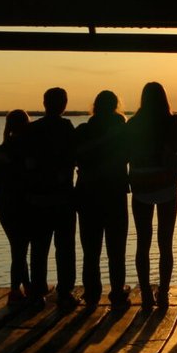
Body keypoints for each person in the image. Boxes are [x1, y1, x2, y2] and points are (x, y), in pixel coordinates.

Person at [125, 82, 177, 307]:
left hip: (141, 187)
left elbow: (127, 153)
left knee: (143, 242)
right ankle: (165, 292)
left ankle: (147, 293)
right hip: (167, 186)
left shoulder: (133, 124)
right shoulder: (172, 123)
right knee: (165, 242)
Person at [22, 87, 77, 305]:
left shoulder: (32, 129)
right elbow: (74, 156)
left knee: (39, 248)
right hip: (62, 198)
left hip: (38, 200)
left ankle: (37, 292)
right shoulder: (66, 127)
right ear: (63, 104)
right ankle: (64, 292)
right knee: (65, 248)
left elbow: (24, 162)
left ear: (44, 103)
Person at [74, 90, 130, 305]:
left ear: (94, 107)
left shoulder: (83, 130)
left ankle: (91, 293)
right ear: (116, 106)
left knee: (90, 249)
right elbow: (127, 156)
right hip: (114, 193)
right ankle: (117, 291)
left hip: (87, 193)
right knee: (116, 248)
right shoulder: (122, 131)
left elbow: (76, 157)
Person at [0, 109, 32, 302]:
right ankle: (16, 289)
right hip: (25, 203)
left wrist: (3, 194)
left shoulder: (1, 151)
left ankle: (25, 287)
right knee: (21, 247)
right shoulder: (30, 149)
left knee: (17, 246)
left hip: (5, 205)